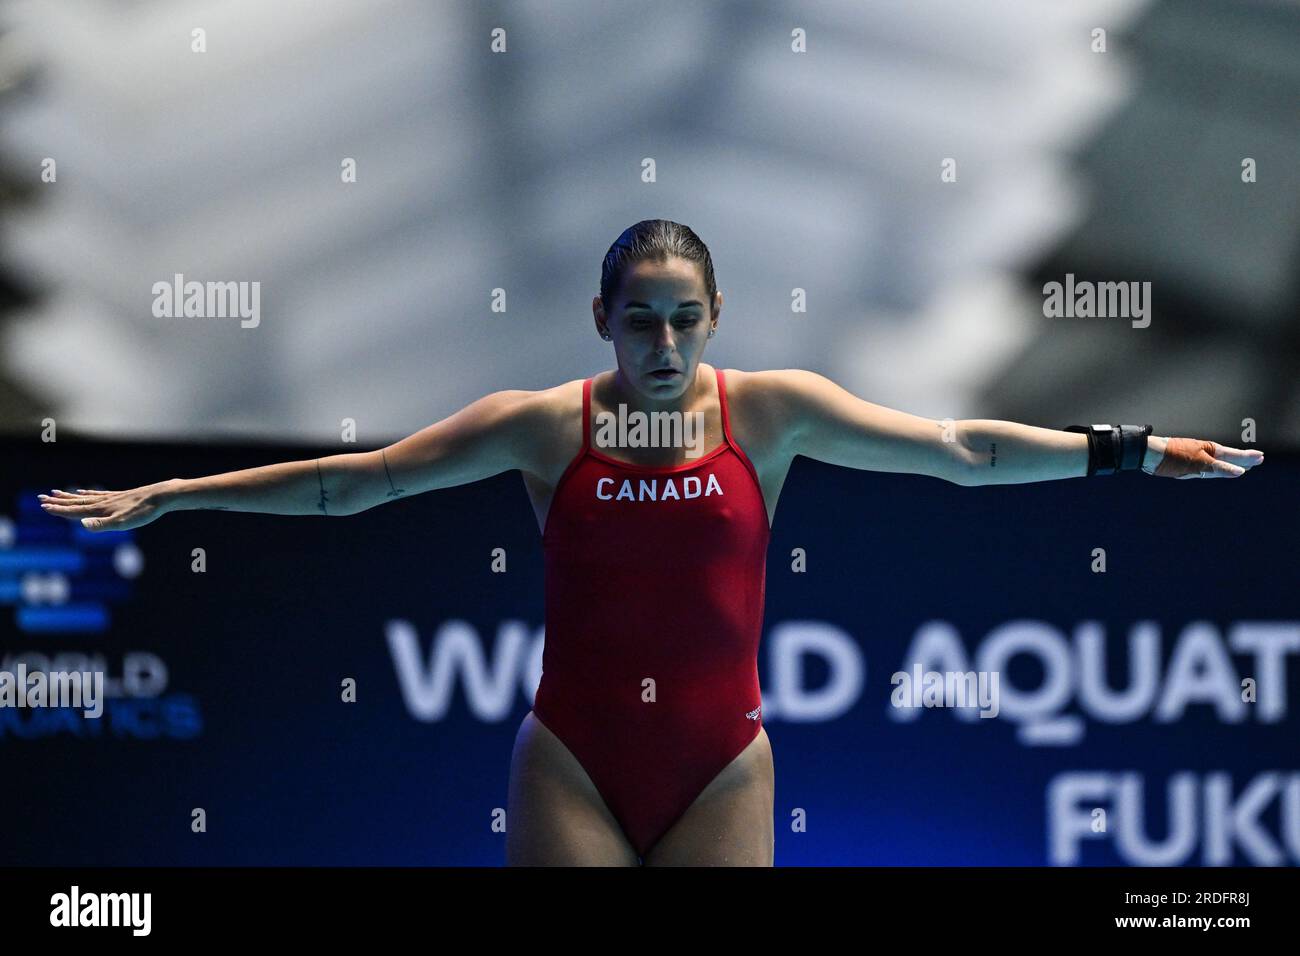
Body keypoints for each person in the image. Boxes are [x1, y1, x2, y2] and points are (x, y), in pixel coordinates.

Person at [39, 219, 1264, 866]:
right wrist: (182, 490)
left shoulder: (772, 411)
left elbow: (963, 449)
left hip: (724, 760)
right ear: (603, 321)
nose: (664, 344)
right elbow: (351, 486)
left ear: (714, 317)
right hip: (569, 754)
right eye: (641, 321)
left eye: (685, 319)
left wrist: (1132, 448)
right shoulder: (538, 426)